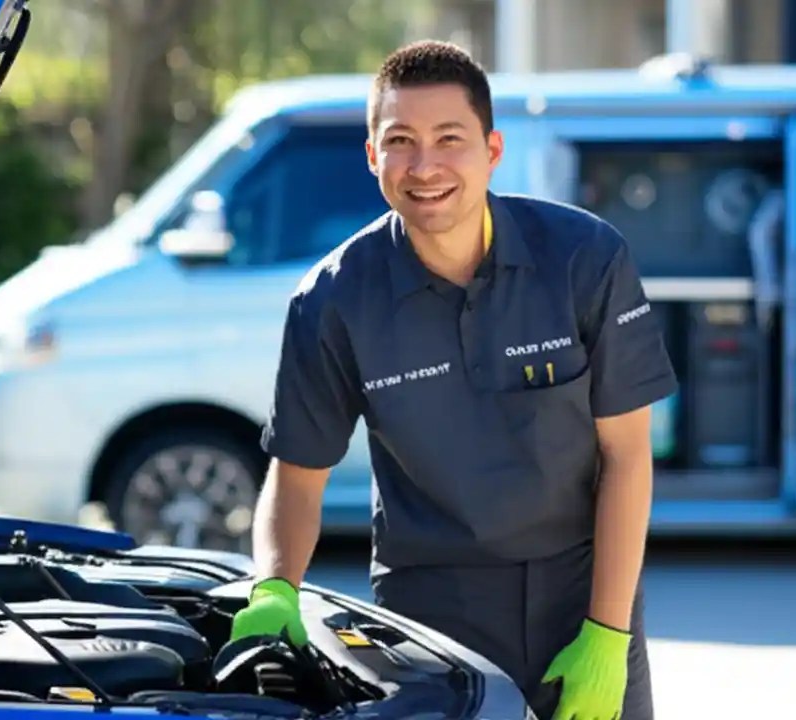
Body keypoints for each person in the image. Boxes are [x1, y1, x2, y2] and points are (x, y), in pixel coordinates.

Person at [229, 40, 676, 720]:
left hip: (582, 597)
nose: (426, 165)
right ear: (373, 155)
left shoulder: (585, 260)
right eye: (401, 140)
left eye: (449, 138)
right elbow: (296, 477)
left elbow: (626, 455)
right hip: (429, 619)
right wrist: (273, 590)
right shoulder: (332, 300)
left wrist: (608, 636)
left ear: (492, 150)